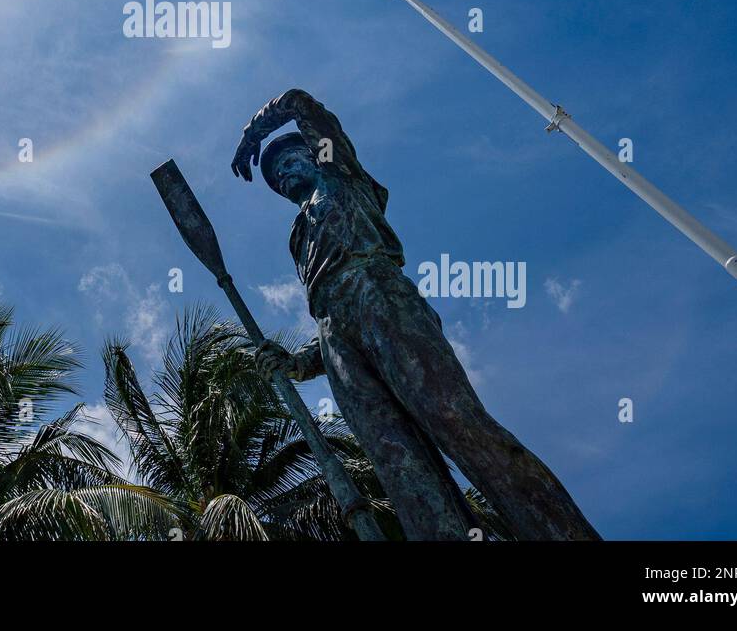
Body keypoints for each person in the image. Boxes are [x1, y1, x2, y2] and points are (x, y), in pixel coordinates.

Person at [233, 88, 599, 540]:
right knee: (398, 465)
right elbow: (328, 309)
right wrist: (298, 362)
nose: (283, 173)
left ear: (314, 156)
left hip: (381, 298)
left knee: (455, 421)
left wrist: (256, 132)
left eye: (289, 161)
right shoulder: (298, 240)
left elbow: (301, 104)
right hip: (335, 337)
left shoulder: (340, 176)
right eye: (275, 175)